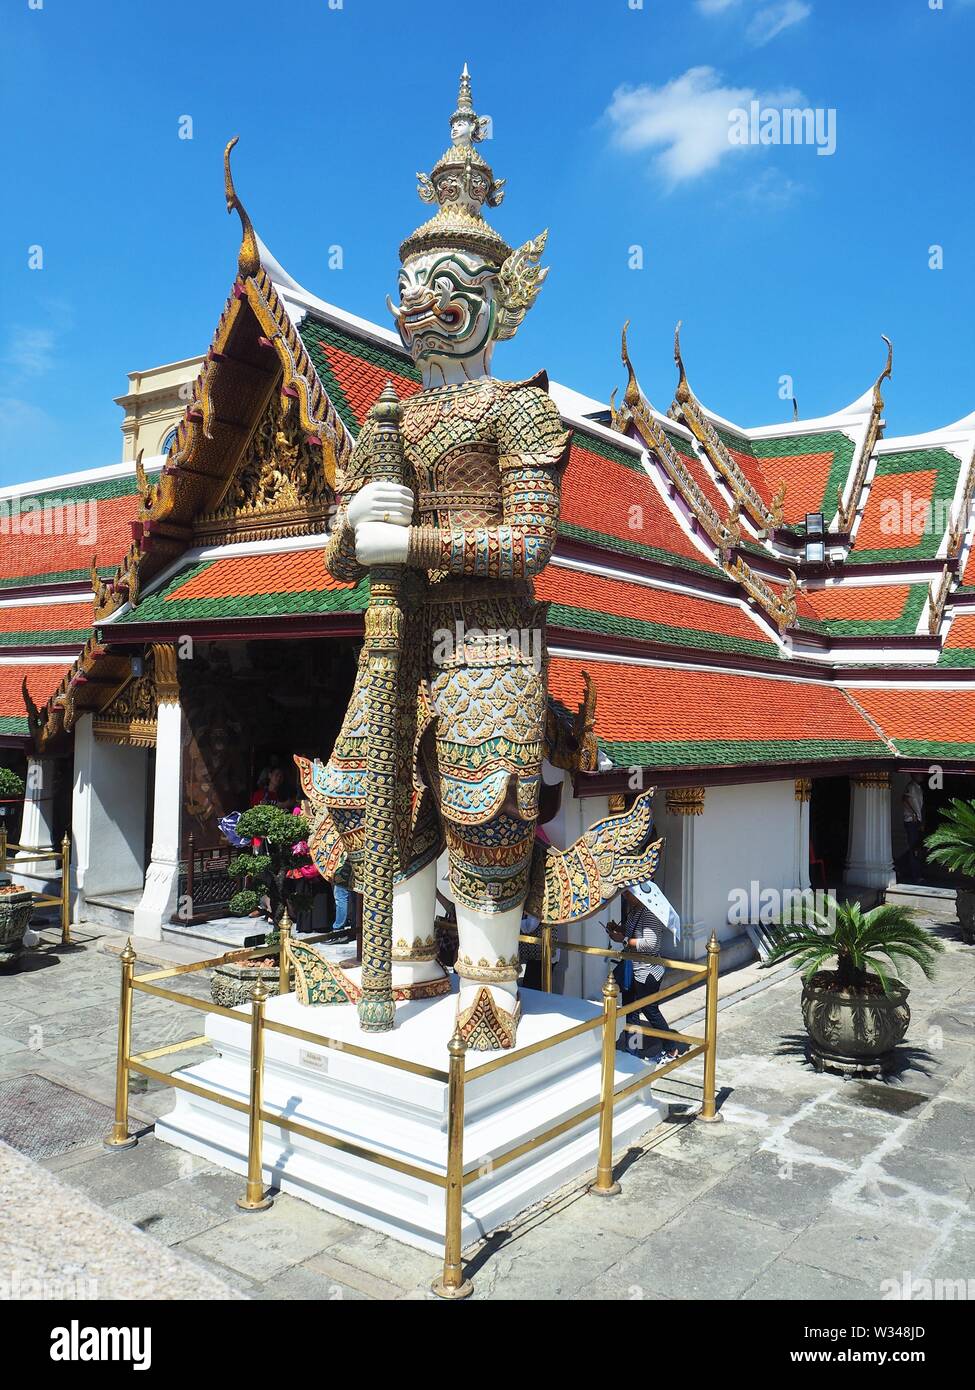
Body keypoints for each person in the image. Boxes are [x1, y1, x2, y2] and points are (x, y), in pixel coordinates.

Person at [608, 888, 677, 1062]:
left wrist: (623, 940)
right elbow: (631, 932)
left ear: (638, 895)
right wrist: (617, 929)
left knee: (650, 1010)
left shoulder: (649, 914)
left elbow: (650, 944)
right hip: (633, 968)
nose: (625, 896)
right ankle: (633, 1049)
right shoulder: (634, 911)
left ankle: (671, 1048)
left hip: (648, 971)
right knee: (631, 1010)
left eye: (627, 893)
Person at [902, 774, 925, 881]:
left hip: (917, 820)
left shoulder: (918, 788)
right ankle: (915, 875)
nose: (922, 776)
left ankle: (915, 872)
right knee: (914, 848)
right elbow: (905, 799)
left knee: (917, 847)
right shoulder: (911, 786)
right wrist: (913, 814)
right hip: (911, 820)